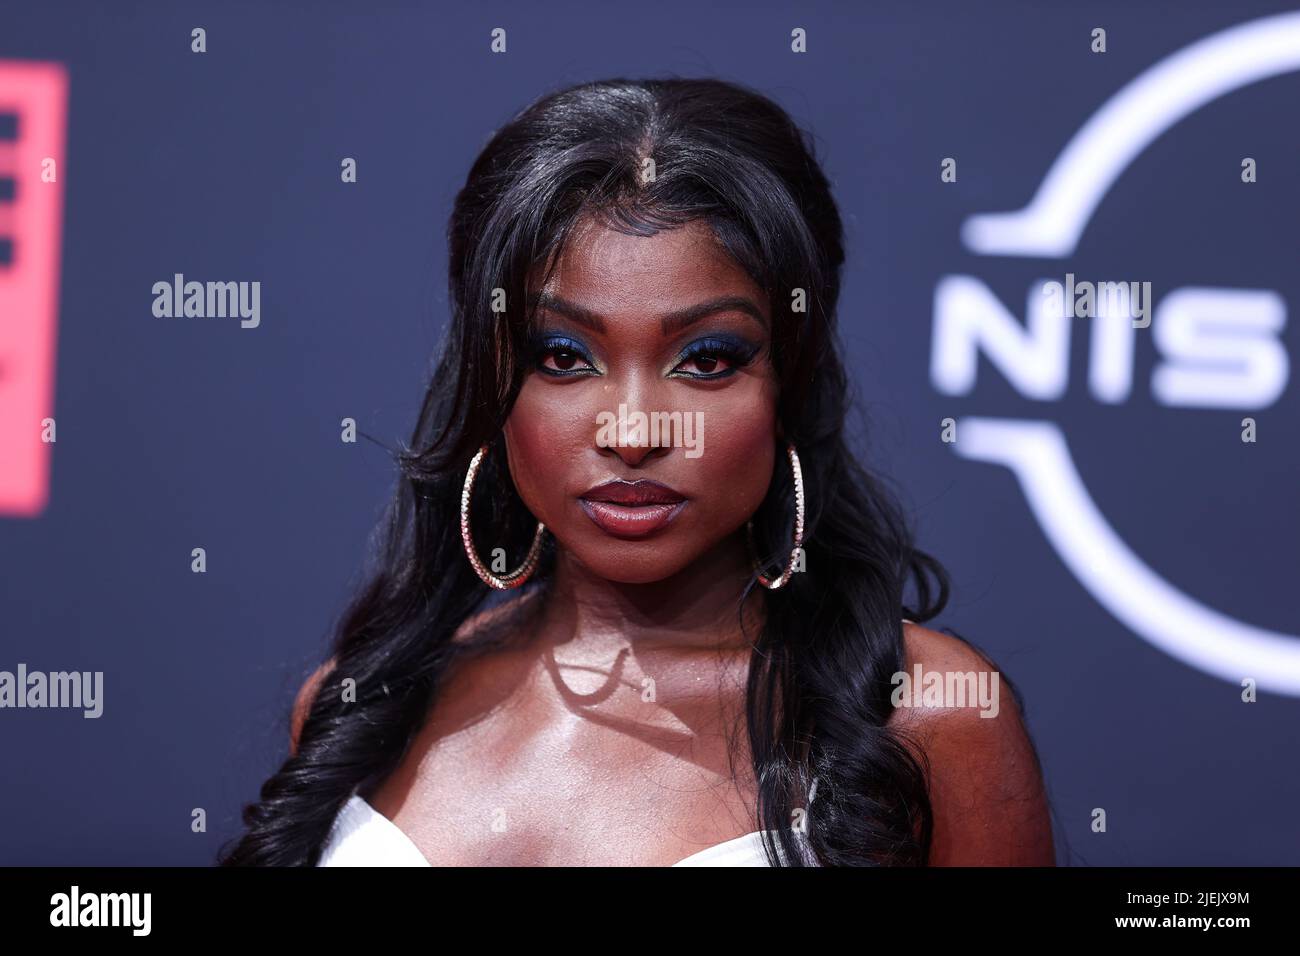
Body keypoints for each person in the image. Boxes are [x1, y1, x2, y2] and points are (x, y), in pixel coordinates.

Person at [219, 77, 1054, 867]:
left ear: (791, 386)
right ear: (489, 380)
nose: (633, 430)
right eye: (562, 356)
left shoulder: (929, 718)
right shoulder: (362, 707)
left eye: (708, 359)